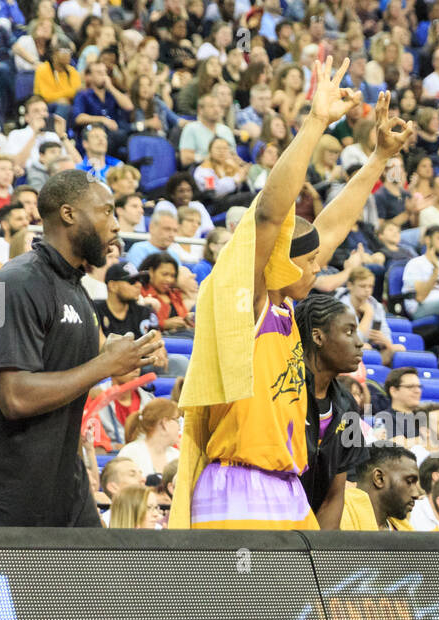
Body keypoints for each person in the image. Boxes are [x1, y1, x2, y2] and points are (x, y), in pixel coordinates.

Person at [170, 69, 411, 531]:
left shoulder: (287, 310)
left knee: (304, 604)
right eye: (312, 261)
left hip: (286, 487)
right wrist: (315, 122)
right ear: (283, 262)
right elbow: (269, 213)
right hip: (240, 483)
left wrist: (379, 158)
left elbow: (333, 226)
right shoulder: (253, 301)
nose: (321, 265)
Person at [0, 170, 167, 527]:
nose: (116, 225)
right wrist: (106, 364)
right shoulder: (13, 283)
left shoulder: (76, 289)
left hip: (60, 486)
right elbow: (14, 397)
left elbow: (88, 361)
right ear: (68, 214)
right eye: (106, 211)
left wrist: (130, 353)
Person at [296, 293, 367, 529]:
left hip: (314, 532)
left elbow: (334, 495)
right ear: (318, 336)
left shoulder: (349, 406)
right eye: (348, 332)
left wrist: (320, 554)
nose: (359, 342)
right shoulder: (284, 390)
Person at [340, 443, 420, 530]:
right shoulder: (339, 518)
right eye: (409, 482)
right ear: (379, 478)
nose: (416, 495)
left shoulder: (403, 530)